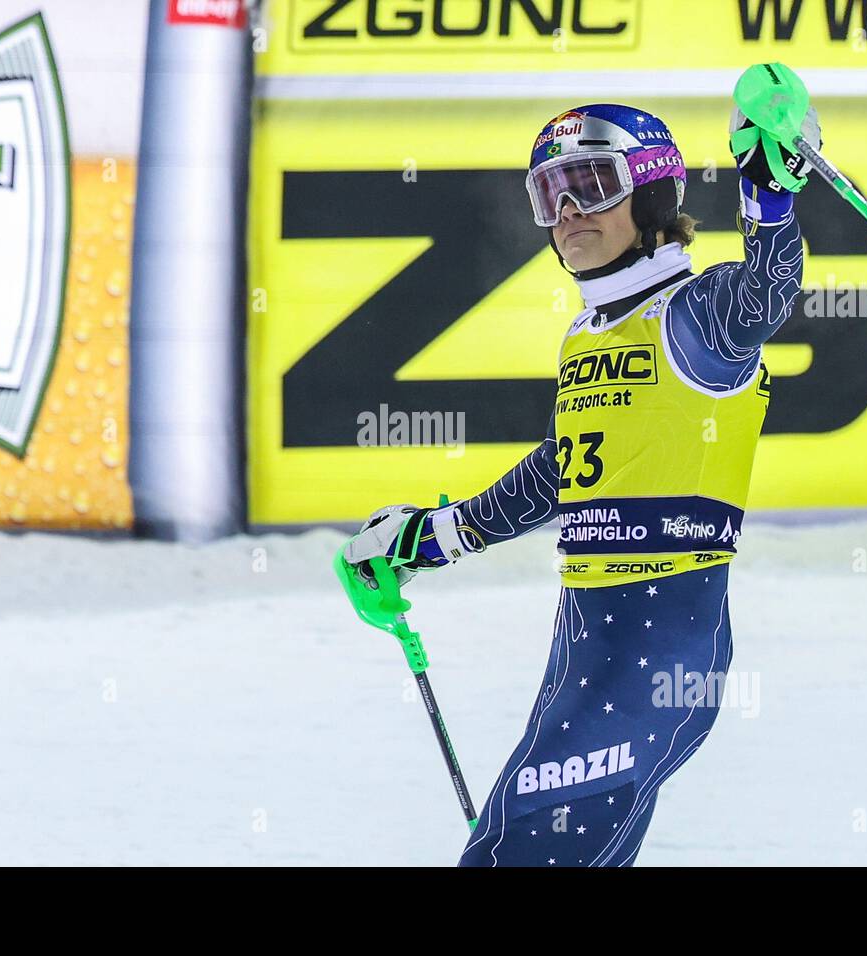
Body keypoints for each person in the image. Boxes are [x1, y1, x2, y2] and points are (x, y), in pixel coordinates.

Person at [342, 85, 821, 866]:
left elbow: (766, 291)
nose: (569, 212)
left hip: (659, 644)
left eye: (593, 186)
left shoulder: (692, 317)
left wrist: (767, 184)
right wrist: (430, 539)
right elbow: (566, 470)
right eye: (551, 193)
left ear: (656, 193)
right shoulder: (587, 333)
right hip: (588, 637)